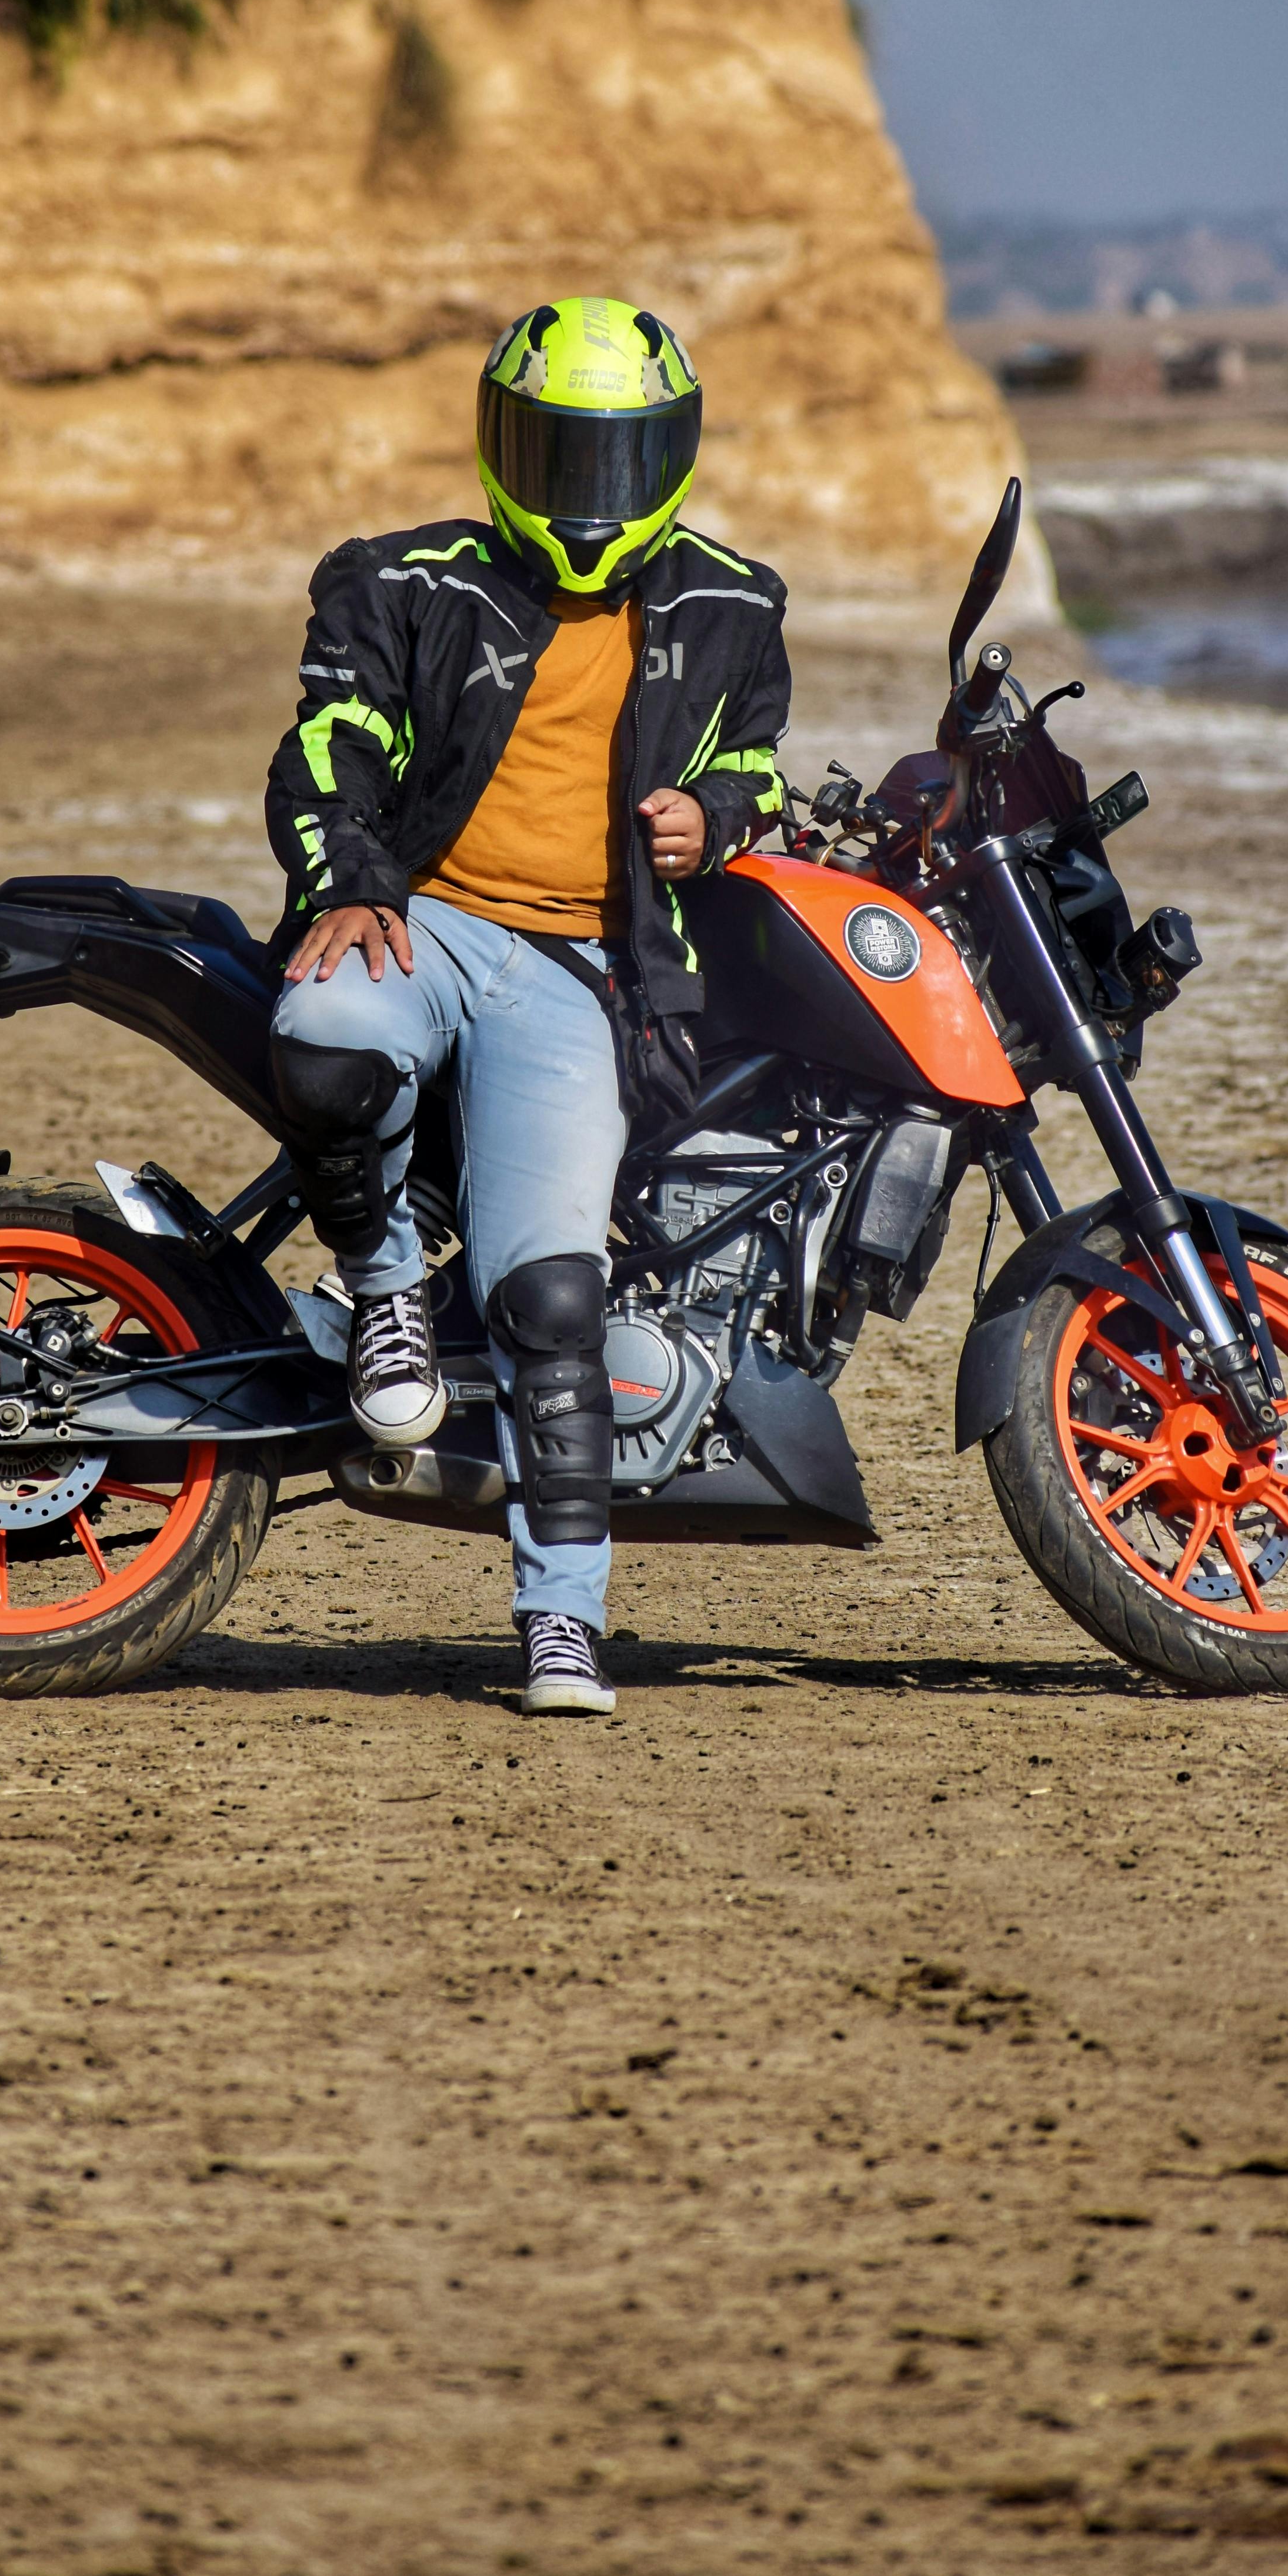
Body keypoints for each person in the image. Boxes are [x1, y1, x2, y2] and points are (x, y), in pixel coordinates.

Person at [263, 297, 790, 1715]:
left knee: (552, 1298)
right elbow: (328, 747)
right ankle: (381, 1296)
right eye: (558, 456)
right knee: (324, 1050)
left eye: (613, 461)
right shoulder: (397, 581)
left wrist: (718, 816)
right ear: (501, 448)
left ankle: (562, 1626)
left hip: (574, 970)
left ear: (666, 459)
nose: (585, 492)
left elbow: (763, 770)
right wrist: (349, 883)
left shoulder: (736, 606)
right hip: (423, 920)